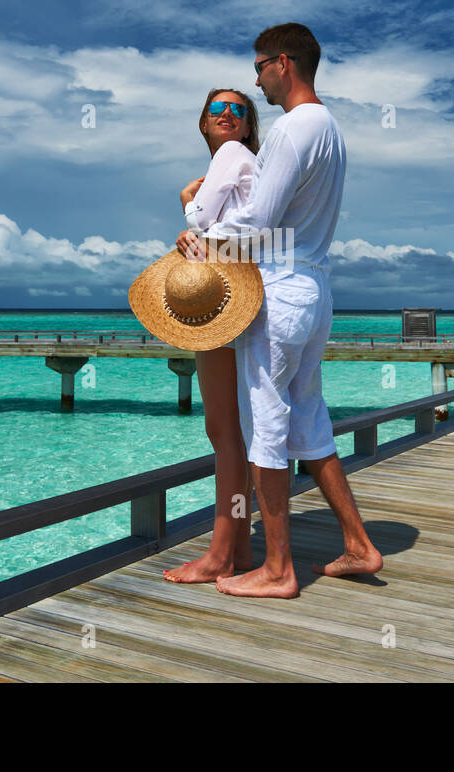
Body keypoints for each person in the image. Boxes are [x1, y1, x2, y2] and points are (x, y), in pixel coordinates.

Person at [177, 22, 383, 599]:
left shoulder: (295, 128)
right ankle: (359, 545)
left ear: (284, 64)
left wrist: (203, 239)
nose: (258, 78)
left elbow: (258, 223)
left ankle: (277, 569)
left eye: (260, 66)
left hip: (283, 292)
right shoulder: (331, 129)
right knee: (309, 420)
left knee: (264, 425)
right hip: (315, 286)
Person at [162, 88, 263, 583]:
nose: (227, 115)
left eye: (237, 110)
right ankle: (239, 546)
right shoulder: (245, 162)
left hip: (226, 303)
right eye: (217, 109)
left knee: (224, 434)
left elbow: (203, 220)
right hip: (240, 292)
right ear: (202, 123)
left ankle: (221, 554)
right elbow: (220, 230)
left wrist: (186, 206)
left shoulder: (230, 154)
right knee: (237, 435)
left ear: (246, 126)